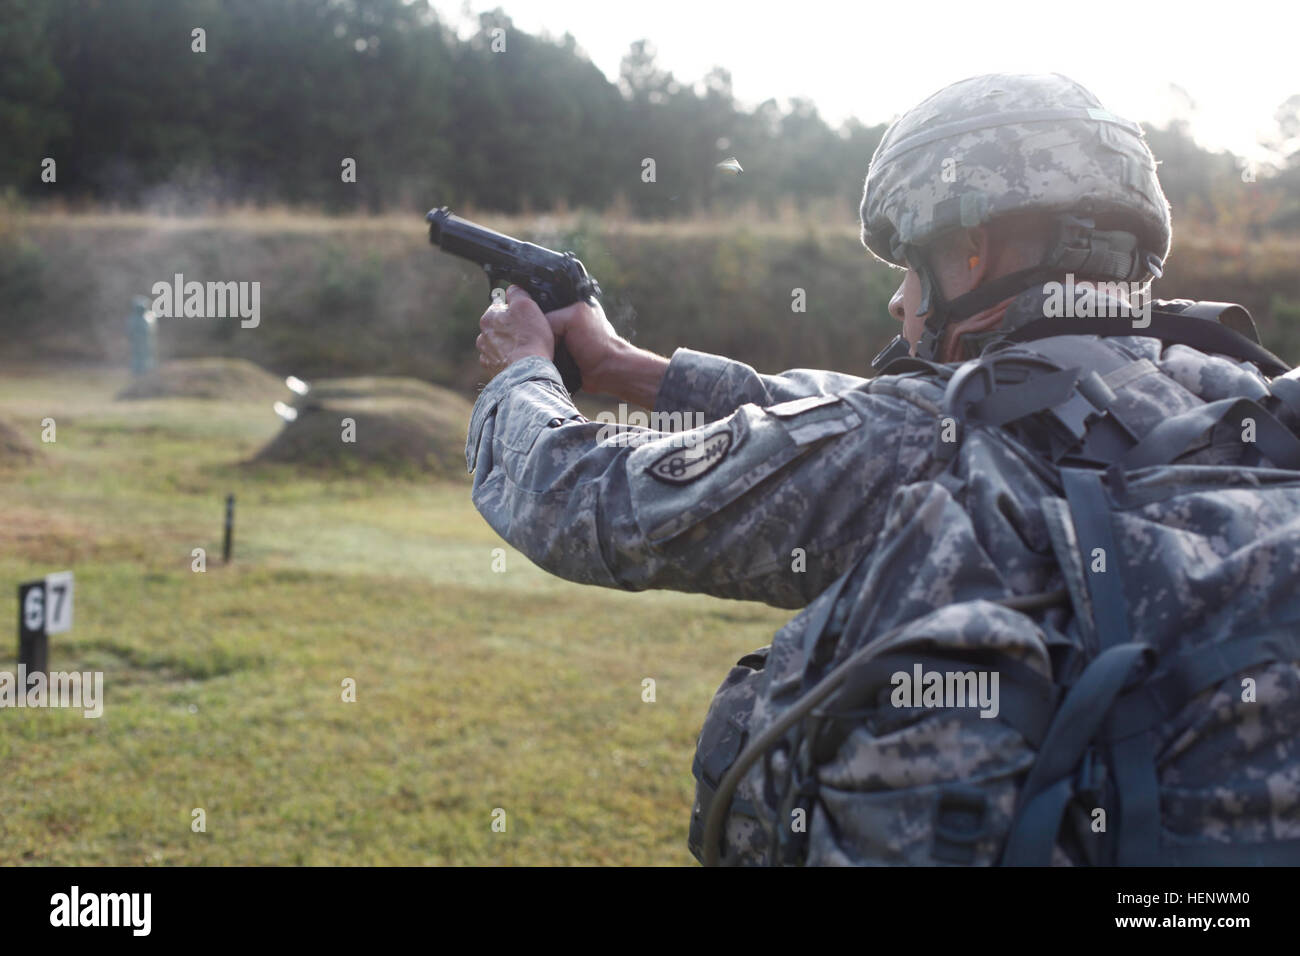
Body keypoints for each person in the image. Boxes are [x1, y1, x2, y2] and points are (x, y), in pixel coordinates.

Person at [467, 73, 1300, 865]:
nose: (899, 303)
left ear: (971, 254)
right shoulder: (1245, 398)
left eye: (911, 265)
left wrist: (522, 370)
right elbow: (838, 411)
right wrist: (622, 365)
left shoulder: (916, 441)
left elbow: (578, 497)